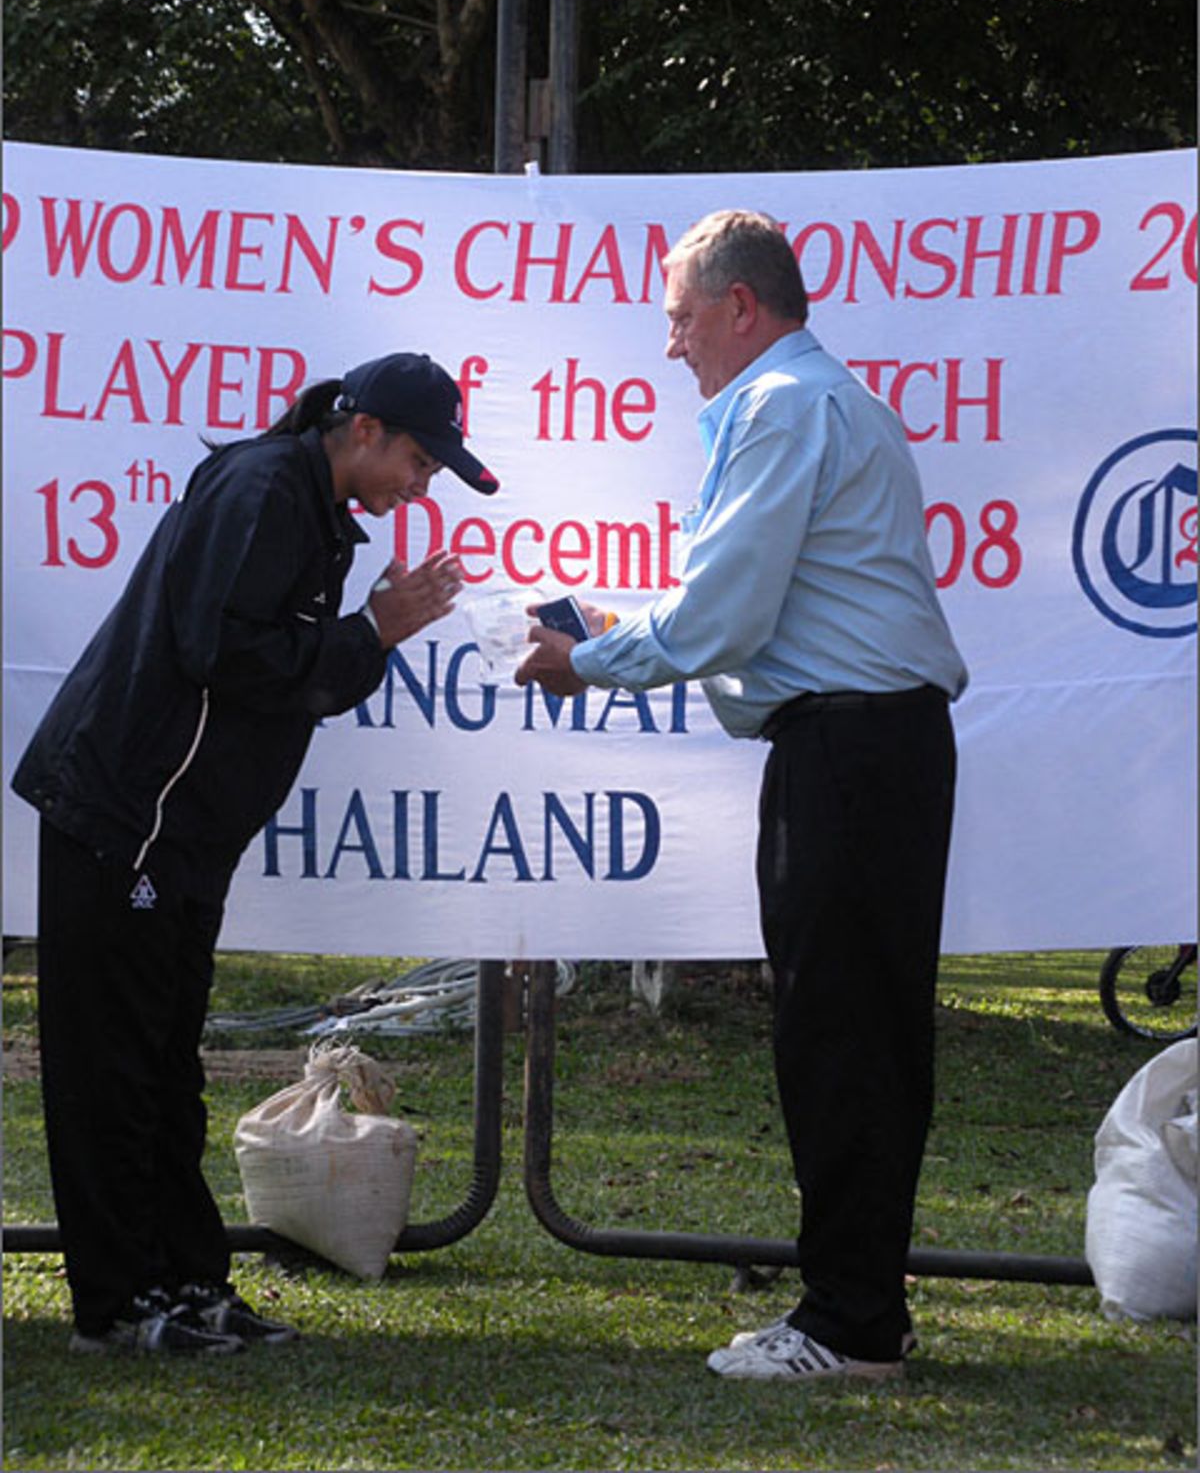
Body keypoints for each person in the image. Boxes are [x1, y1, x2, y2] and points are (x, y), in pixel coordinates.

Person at [516, 210, 968, 1382]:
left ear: (739, 308)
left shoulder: (782, 408)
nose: (671, 346)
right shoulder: (813, 405)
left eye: (677, 318)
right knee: (851, 1030)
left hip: (855, 753)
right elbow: (749, 608)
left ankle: (849, 1322)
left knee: (844, 1035)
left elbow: (722, 614)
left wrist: (588, 659)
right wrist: (625, 633)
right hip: (858, 746)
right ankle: (860, 1303)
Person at [11, 351, 498, 1356]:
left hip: (179, 829)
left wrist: (366, 636)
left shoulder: (313, 510)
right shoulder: (266, 484)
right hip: (127, 810)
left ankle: (187, 1281)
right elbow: (221, 650)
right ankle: (117, 1303)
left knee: (164, 1062)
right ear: (360, 430)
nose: (425, 481)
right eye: (419, 456)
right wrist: (373, 630)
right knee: (112, 1068)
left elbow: (275, 668)